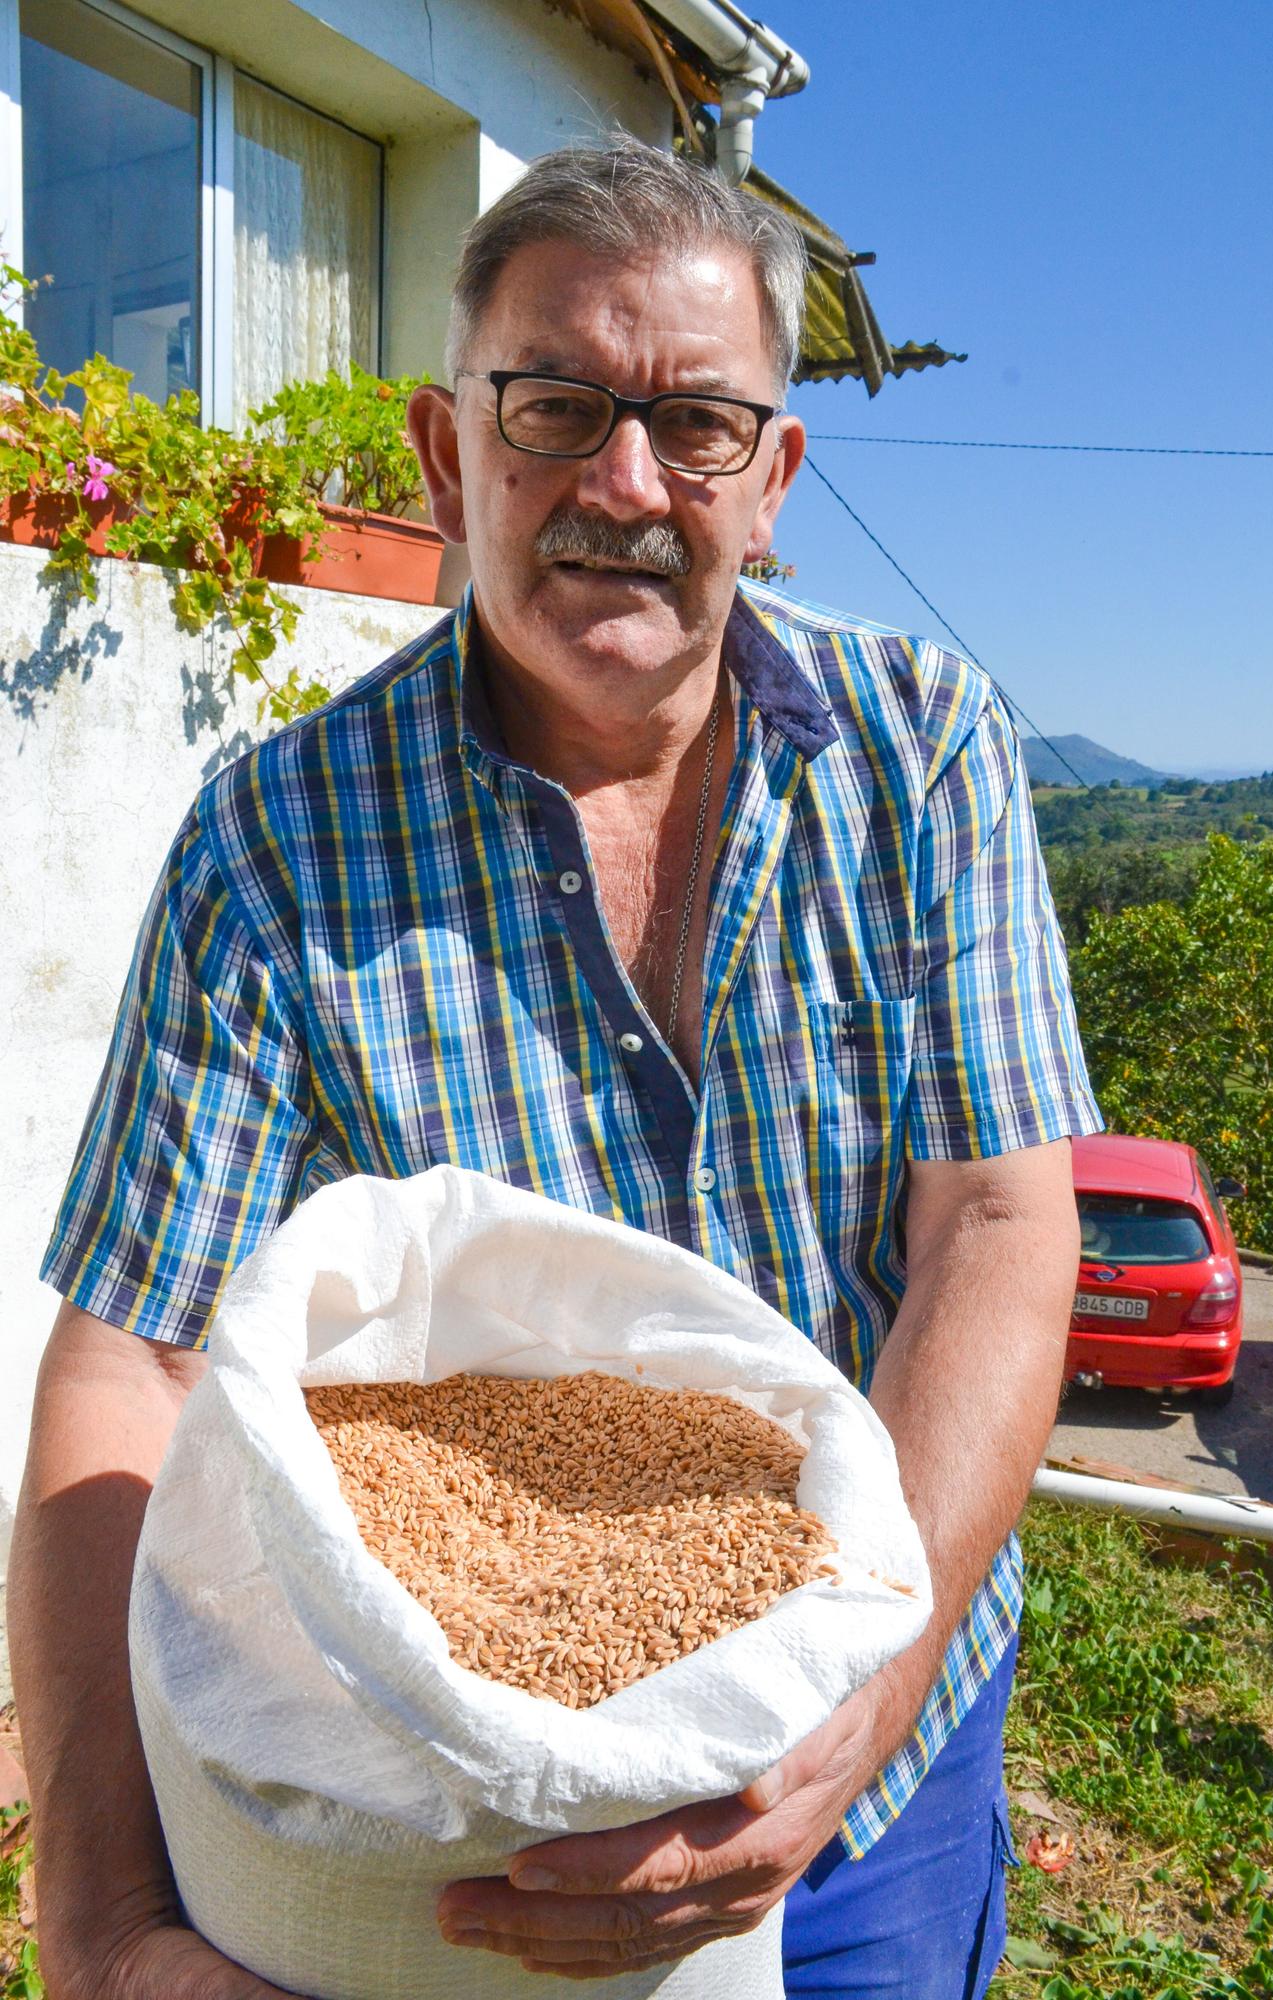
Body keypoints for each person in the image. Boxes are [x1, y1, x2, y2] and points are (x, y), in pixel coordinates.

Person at [10, 137, 1100, 1999]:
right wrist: (105, 1926)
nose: (622, 480)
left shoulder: (922, 751)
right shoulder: (279, 843)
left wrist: (854, 1696)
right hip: (475, 1830)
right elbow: (141, 1353)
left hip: (878, 1768)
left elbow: (996, 1216)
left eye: (692, 424)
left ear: (771, 479)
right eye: (556, 404)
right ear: (449, 453)